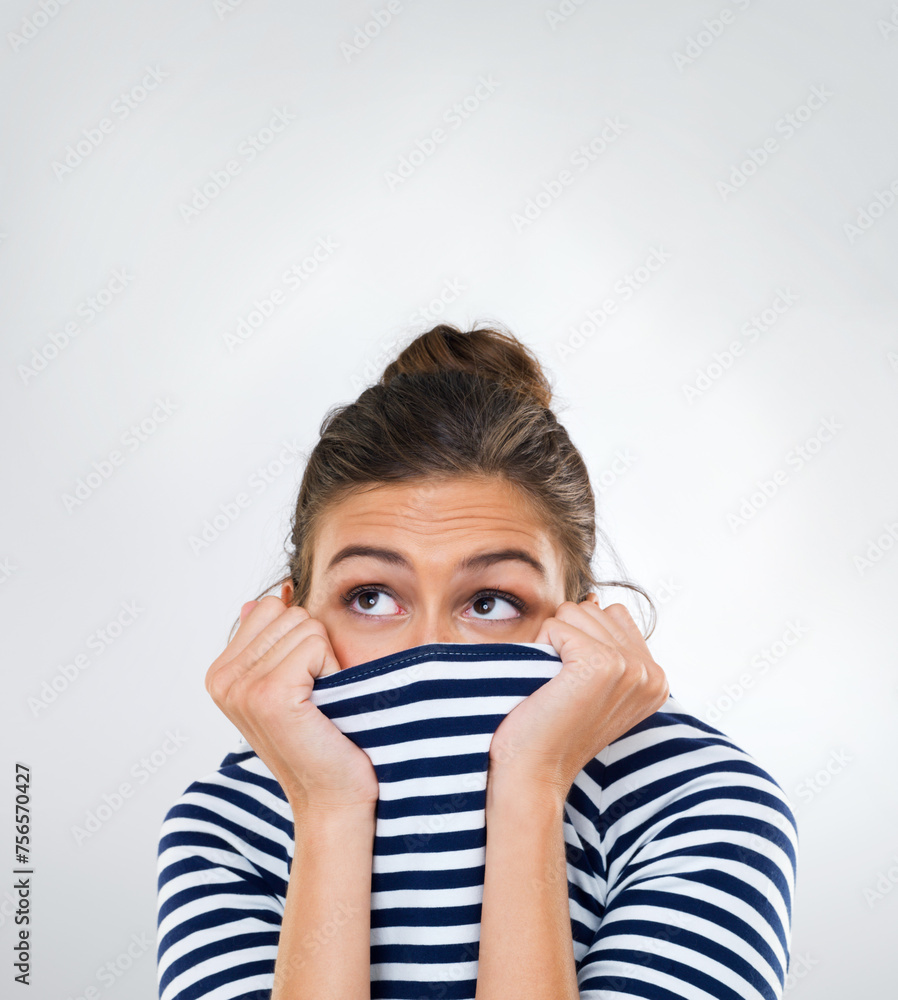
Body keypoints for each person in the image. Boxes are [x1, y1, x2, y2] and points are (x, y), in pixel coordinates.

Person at [155, 323, 798, 1000]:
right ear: (290, 618)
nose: (429, 649)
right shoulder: (224, 830)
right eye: (371, 597)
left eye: (490, 601)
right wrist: (328, 809)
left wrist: (532, 786)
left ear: (579, 620)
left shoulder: (696, 804)